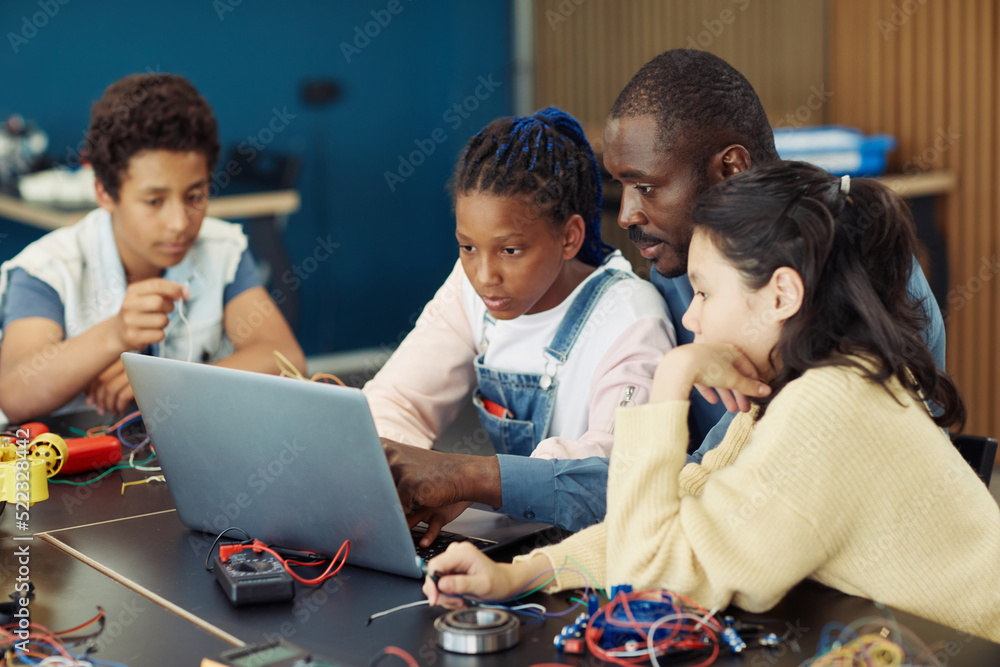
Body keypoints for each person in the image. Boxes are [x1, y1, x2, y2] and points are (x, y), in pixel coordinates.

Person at [421, 161, 1000, 643]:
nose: (691, 316)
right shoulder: (795, 390)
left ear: (780, 295)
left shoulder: (829, 408)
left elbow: (648, 578)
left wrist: (672, 379)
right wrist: (517, 574)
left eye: (703, 291)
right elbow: (677, 517)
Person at [382, 48, 947, 533]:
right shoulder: (680, 269)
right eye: (622, 187)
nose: (626, 215)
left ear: (730, 169)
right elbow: (672, 479)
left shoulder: (832, 285)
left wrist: (476, 477)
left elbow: (701, 492)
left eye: (646, 187)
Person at [363, 107, 674, 543]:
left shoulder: (631, 318)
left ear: (569, 237)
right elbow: (398, 399)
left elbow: (619, 474)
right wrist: (396, 474)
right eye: (467, 247)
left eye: (510, 251)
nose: (484, 274)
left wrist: (469, 478)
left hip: (592, 554)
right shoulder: (472, 289)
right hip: (514, 540)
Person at [0, 73, 305, 424]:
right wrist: (114, 334)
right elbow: (14, 395)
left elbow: (287, 360)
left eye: (195, 196)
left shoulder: (221, 249)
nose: (179, 223)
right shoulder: (47, 267)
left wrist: (164, 385)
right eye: (154, 201)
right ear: (104, 193)